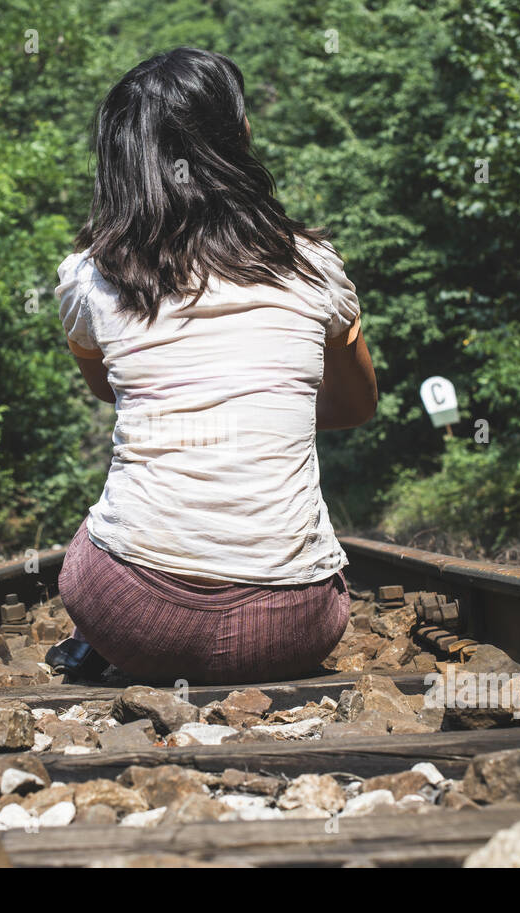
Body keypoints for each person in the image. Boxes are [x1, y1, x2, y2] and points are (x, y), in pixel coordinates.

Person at [52, 47, 377, 685]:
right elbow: (354, 408)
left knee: (97, 538)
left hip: (130, 617)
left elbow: (110, 391)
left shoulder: (90, 277)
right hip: (294, 625)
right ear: (239, 138)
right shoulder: (313, 266)